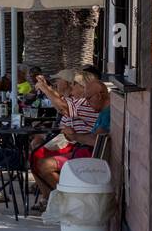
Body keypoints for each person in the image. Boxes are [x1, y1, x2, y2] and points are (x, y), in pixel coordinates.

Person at [30, 69, 110, 209]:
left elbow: (63, 108)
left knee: (40, 160)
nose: (71, 87)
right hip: (79, 145)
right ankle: (52, 198)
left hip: (80, 148)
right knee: (35, 154)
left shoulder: (86, 104)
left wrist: (45, 88)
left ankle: (72, 202)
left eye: (74, 84)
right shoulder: (89, 103)